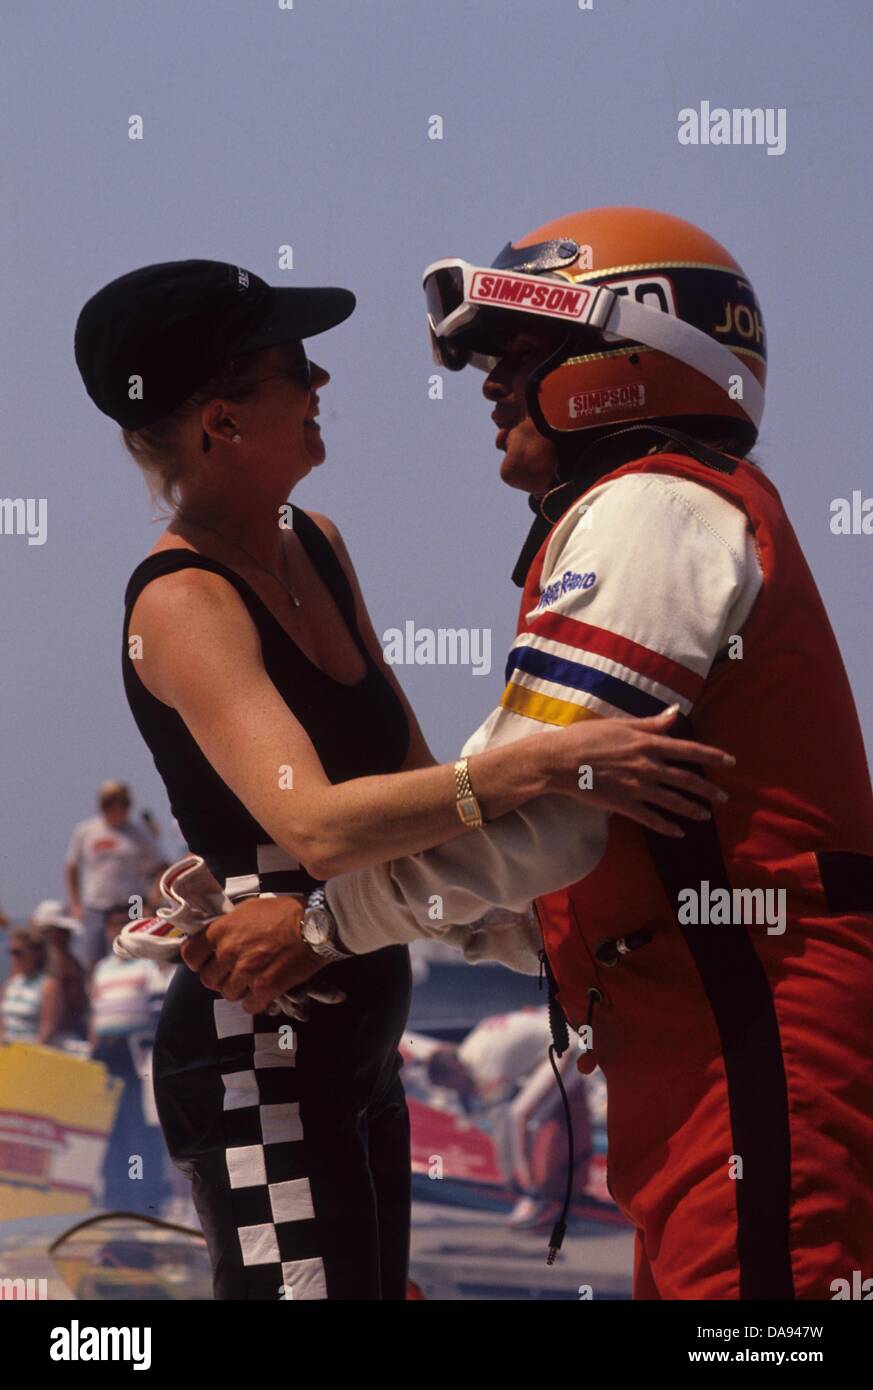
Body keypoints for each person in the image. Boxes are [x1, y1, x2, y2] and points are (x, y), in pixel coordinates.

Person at [192, 208, 873, 1302]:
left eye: (519, 355)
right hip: (710, 1048)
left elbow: (542, 818)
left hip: (756, 1045)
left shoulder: (650, 505)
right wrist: (442, 917)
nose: (490, 386)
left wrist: (322, 926)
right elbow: (577, 865)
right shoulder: (665, 505)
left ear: (629, 356)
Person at [73, 256, 730, 1302]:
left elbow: (418, 786)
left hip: (360, 1021)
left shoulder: (316, 545)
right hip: (257, 1040)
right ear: (221, 420)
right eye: (295, 365)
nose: (323, 382)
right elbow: (326, 831)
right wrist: (553, 759)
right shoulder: (179, 600)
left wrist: (539, 933)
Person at [426, 1007, 593, 1230]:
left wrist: (509, 1178)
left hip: (567, 1049)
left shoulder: (485, 1069)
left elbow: (502, 1125)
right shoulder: (472, 1048)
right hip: (560, 1040)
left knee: (522, 1117)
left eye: (451, 1085)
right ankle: (555, 1189)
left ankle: (534, 1196)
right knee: (529, 1114)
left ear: (455, 1070)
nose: (458, 1091)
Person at [90, 906, 168, 1214]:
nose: (117, 929)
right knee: (110, 1131)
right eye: (113, 924)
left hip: (136, 1055)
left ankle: (143, 1204)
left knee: (140, 1131)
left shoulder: (147, 965)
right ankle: (114, 1202)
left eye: (124, 923)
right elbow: (96, 1014)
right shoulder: (101, 968)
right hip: (106, 1055)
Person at [65, 780, 162, 970]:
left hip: (133, 901)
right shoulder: (86, 831)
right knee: (94, 957)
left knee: (139, 951)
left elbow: (161, 866)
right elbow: (71, 866)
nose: (118, 808)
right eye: (111, 803)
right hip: (96, 904)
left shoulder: (139, 833)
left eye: (122, 803)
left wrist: (153, 900)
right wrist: (75, 903)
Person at [30, 899, 89, 1045]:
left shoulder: (67, 962)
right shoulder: (49, 960)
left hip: (64, 1037)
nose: (67, 936)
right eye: (63, 932)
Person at [0, 928, 63, 1045]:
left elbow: (48, 1026)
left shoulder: (47, 985)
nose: (14, 957)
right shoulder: (10, 984)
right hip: (7, 1051)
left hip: (30, 1050)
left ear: (36, 954)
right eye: (11, 952)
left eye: (18, 952)